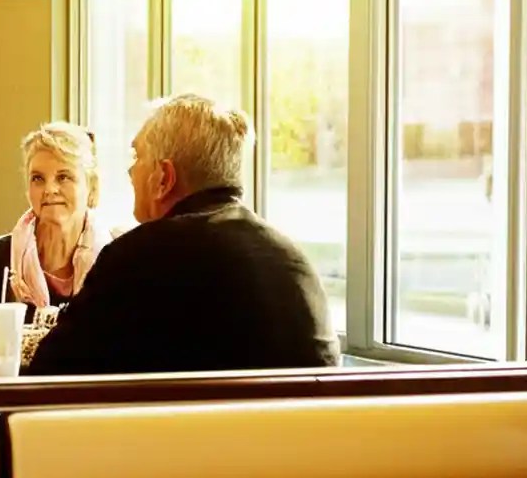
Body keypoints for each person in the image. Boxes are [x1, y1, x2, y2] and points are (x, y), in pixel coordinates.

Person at [27, 94, 340, 375]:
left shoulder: (137, 258)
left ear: (164, 178)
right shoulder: (293, 262)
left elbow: (49, 374)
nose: (130, 172)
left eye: (137, 157)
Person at [0, 122, 112, 330]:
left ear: (91, 187)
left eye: (63, 177)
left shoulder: (116, 261)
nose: (50, 189)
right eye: (38, 178)